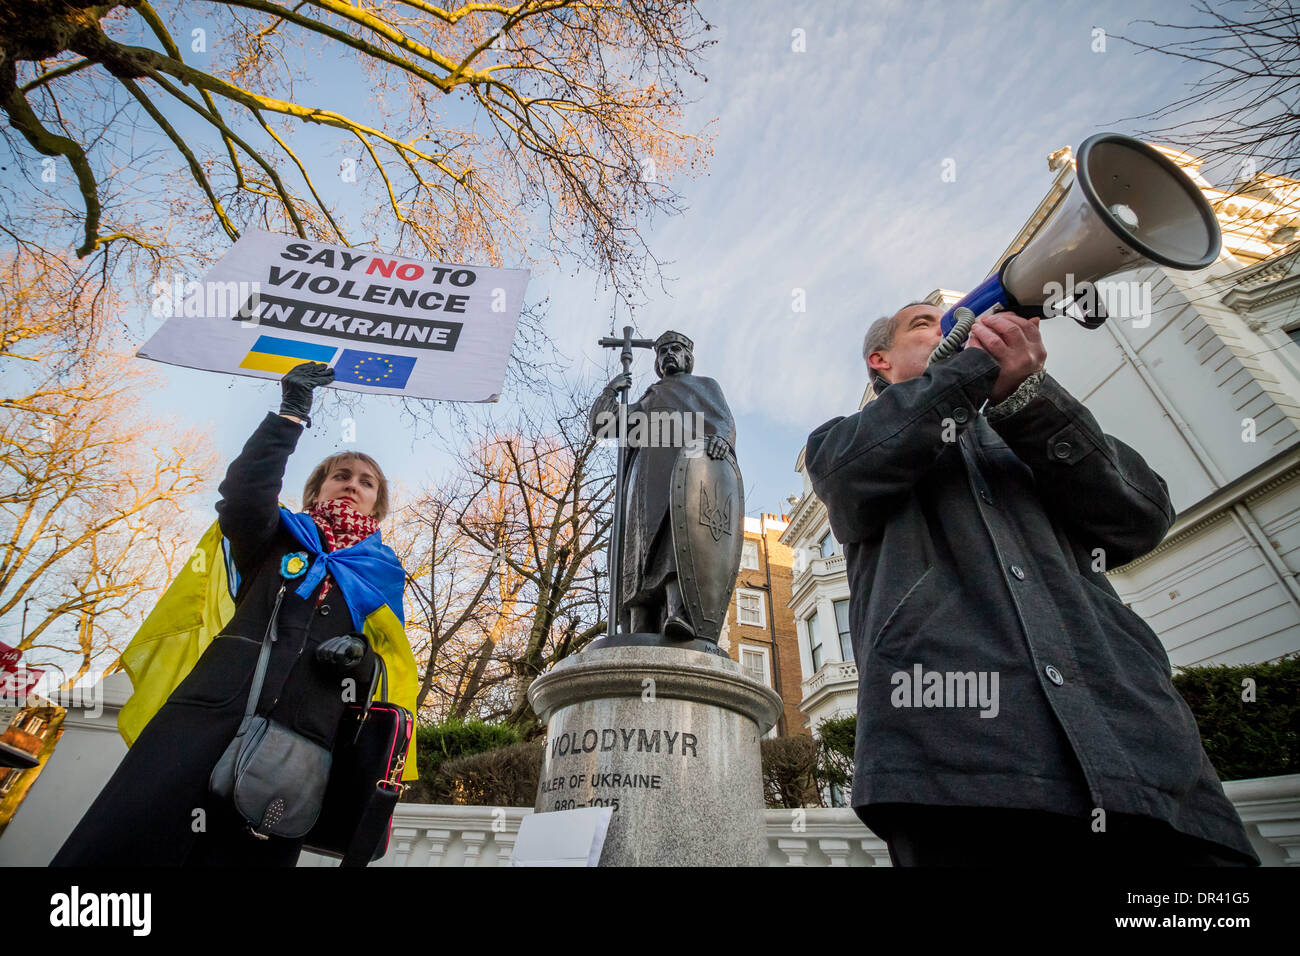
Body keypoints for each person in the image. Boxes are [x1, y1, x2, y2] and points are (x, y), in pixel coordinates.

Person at [803, 302, 1260, 866]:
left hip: (1148, 760)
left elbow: (1142, 516)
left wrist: (1027, 397)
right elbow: (850, 475)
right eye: (925, 323)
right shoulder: (842, 437)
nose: (952, 325)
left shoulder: (1030, 425)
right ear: (879, 360)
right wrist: (971, 368)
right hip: (962, 775)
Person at [51, 361, 416, 866]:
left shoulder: (383, 575)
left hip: (299, 743)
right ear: (316, 490)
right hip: (209, 717)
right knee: (134, 847)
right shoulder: (277, 534)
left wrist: (357, 659)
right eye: (341, 475)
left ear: (378, 505)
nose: (352, 484)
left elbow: (385, 666)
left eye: (366, 481)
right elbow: (243, 498)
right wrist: (290, 417)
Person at [590, 331, 736, 640]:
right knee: (637, 550)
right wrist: (611, 391)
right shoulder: (649, 398)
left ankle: (679, 612)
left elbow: (722, 423)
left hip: (682, 476)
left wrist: (722, 441)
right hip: (641, 483)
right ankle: (638, 624)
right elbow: (605, 425)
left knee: (677, 537)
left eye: (676, 349)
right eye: (663, 351)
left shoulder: (705, 388)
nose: (669, 354)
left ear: (688, 357)